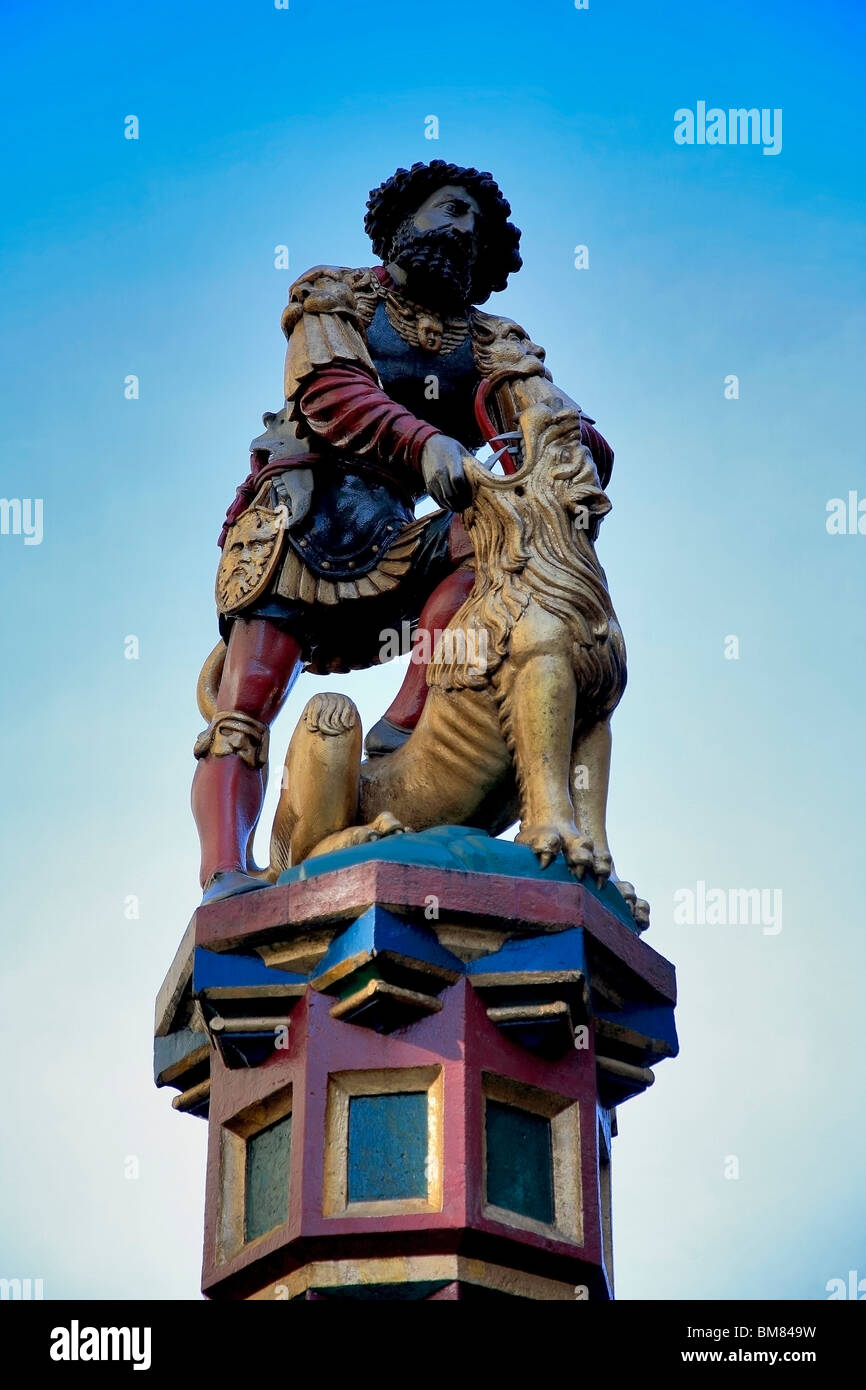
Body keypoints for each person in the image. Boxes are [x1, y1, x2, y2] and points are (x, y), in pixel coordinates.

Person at [192, 159, 614, 902]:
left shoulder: (490, 341)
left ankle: (403, 727)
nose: (463, 230)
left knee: (482, 547)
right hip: (298, 519)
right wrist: (425, 445)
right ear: (402, 221)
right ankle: (226, 872)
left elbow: (554, 419)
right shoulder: (338, 296)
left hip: (395, 534)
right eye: (450, 210)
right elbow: (330, 392)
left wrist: (566, 448)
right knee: (245, 705)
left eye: (475, 227)